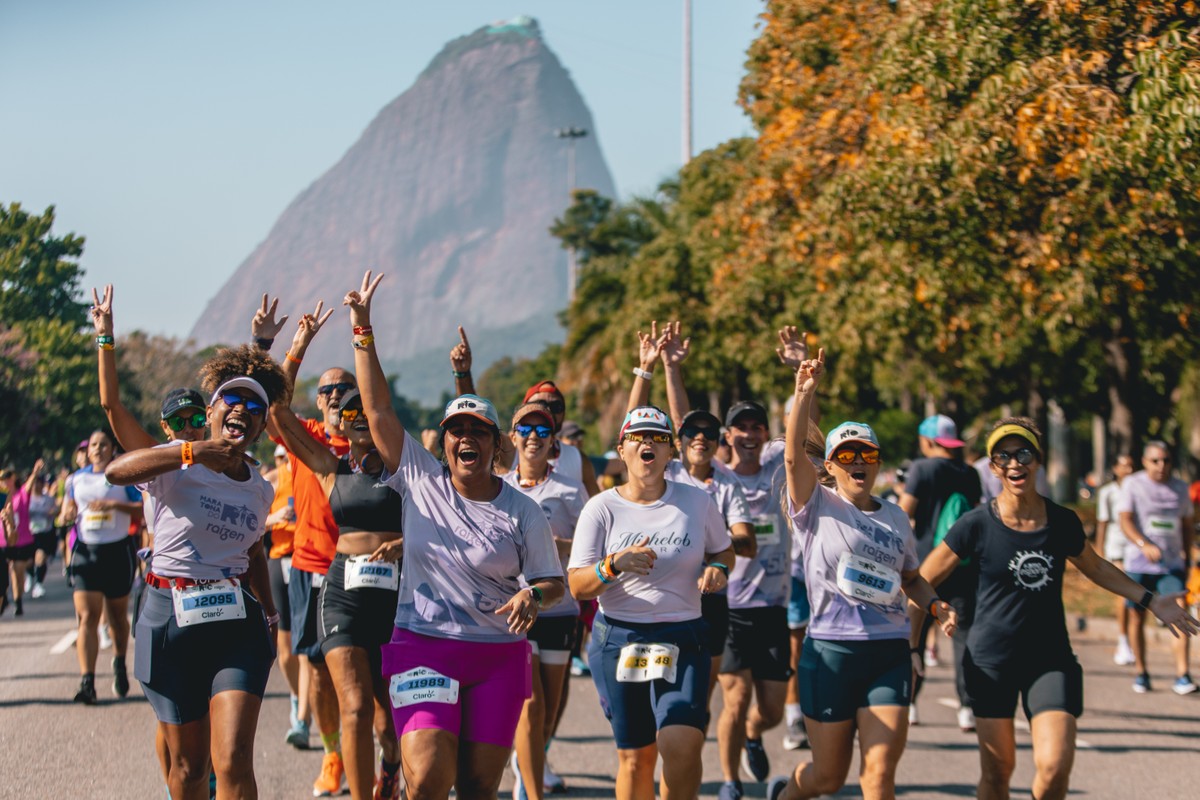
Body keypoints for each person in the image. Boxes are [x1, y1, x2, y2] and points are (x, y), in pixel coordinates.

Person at [346, 270, 565, 800]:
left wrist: (532, 594)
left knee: (475, 789)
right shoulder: (420, 479)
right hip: (423, 646)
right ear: (443, 443)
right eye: (456, 430)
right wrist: (362, 329)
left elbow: (552, 583)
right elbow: (377, 411)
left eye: (478, 431)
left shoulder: (523, 511)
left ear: (495, 445)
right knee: (429, 781)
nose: (466, 437)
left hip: (498, 657)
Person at [917, 417, 1198, 800]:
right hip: (989, 660)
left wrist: (1149, 601)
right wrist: (921, 629)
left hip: (1049, 658)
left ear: (1038, 460)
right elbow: (921, 578)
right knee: (998, 774)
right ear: (994, 467)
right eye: (1004, 457)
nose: (1015, 463)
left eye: (1024, 454)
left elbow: (1095, 566)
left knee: (1053, 770)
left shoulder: (1061, 521)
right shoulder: (975, 525)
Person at [768, 332, 955, 800]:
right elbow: (793, 456)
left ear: (877, 464)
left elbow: (910, 578)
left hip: (888, 653)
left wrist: (936, 607)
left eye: (866, 455)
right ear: (829, 465)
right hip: (831, 652)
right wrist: (803, 393)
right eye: (846, 456)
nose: (857, 462)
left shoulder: (894, 515)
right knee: (827, 778)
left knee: (877, 776)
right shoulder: (815, 505)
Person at [106, 345, 283, 800]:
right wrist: (190, 450)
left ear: (263, 425)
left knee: (234, 761)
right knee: (188, 767)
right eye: (233, 402)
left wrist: (270, 613)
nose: (243, 410)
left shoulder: (262, 489)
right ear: (212, 412)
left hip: (235, 624)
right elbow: (116, 471)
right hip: (170, 617)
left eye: (255, 408)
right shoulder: (178, 462)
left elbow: (255, 553)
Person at [568, 404, 735, 800]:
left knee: (682, 743)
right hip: (619, 640)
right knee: (636, 758)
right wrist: (613, 565)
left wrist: (719, 570)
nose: (648, 444)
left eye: (658, 438)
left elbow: (724, 551)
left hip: (683, 634)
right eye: (638, 437)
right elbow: (578, 586)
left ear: (670, 452)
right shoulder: (601, 508)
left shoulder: (696, 502)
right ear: (622, 449)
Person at [271, 385, 405, 800]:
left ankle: (391, 769)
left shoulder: (405, 466)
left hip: (396, 602)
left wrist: (406, 543)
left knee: (389, 723)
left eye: (364, 408)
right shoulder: (331, 467)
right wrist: (291, 349)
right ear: (341, 423)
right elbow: (278, 413)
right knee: (356, 707)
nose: (359, 416)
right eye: (349, 412)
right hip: (342, 597)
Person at [258, 296, 352, 796]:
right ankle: (334, 755)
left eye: (345, 389)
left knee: (369, 669)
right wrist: (297, 346)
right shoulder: (306, 436)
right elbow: (273, 408)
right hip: (311, 566)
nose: (337, 396)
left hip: (363, 570)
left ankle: (380, 758)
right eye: (328, 390)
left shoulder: (371, 443)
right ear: (318, 403)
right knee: (317, 668)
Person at [503, 400, 588, 800]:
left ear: (553, 442)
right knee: (531, 705)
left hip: (561, 607)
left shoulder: (570, 490)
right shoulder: (499, 486)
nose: (533, 438)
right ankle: (529, 788)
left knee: (549, 713)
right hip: (517, 611)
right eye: (526, 430)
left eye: (542, 432)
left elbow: (594, 546)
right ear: (512, 437)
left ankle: (527, 762)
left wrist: (560, 545)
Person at [898, 413, 981, 731]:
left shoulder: (921, 469)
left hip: (923, 568)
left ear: (928, 441)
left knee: (913, 635)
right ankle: (966, 707)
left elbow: (904, 513)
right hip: (962, 566)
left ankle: (911, 703)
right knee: (962, 636)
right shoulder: (970, 472)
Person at [59, 429, 142, 704]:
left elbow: (141, 508)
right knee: (86, 617)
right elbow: (66, 510)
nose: (97, 448)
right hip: (86, 552)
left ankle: (119, 661)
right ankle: (88, 682)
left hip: (117, 552)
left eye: (103, 444)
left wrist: (112, 505)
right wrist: (67, 512)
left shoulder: (122, 475)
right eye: (93, 444)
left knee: (117, 618)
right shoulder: (76, 480)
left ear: (112, 448)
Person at [1118, 440, 1197, 695]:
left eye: (1166, 461)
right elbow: (1125, 520)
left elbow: (1186, 525)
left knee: (1180, 610)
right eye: (1155, 461)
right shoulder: (1133, 484)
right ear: (1145, 462)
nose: (1161, 466)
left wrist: (1188, 559)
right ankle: (1141, 671)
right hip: (1139, 563)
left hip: (1171, 564)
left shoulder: (1180, 488)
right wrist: (1143, 544)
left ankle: (1183, 674)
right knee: (1137, 616)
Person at [262, 444, 311, 748]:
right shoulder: (273, 481)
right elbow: (252, 521)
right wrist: (277, 517)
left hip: (309, 561)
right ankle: (296, 695)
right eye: (281, 457)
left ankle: (304, 720)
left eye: (288, 455)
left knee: (305, 646)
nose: (285, 461)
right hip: (279, 561)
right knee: (286, 647)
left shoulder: (315, 472)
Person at [1095, 454, 1136, 665]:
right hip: (1116, 544)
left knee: (1136, 593)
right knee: (1124, 593)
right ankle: (1123, 640)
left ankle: (1133, 638)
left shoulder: (1138, 488)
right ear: (1116, 468)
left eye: (1131, 466)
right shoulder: (1107, 492)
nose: (1128, 470)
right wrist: (1099, 550)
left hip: (1135, 546)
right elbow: (1102, 521)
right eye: (1124, 466)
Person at [2, 460, 43, 616]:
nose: (5, 481)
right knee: (11, 571)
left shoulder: (22, 494)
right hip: (4, 541)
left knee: (18, 571)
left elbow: (30, 483)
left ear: (14, 479)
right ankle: (12, 598)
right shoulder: (1, 497)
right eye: (3, 478)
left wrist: (35, 471)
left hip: (23, 540)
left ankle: (18, 599)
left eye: (8, 477)